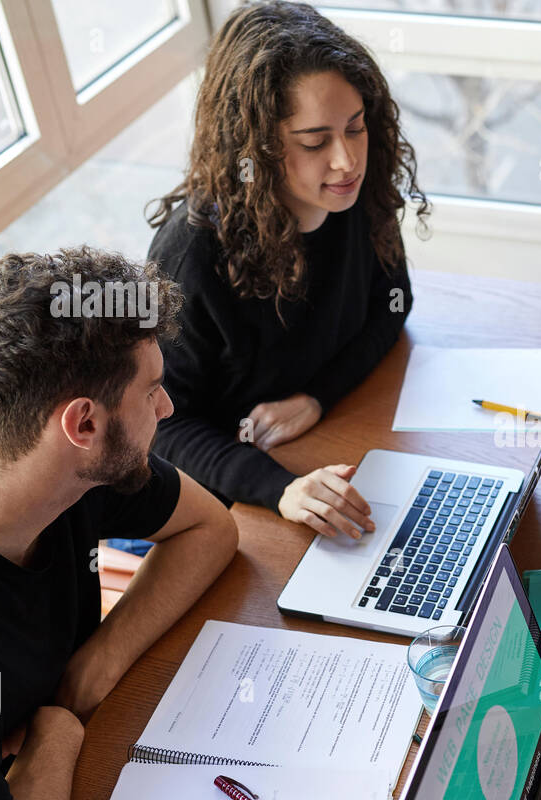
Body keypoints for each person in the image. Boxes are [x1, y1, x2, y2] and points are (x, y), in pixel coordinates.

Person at [0, 247, 239, 800]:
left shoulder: (26, 453)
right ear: (81, 424)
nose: (166, 409)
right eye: (153, 391)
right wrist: (57, 725)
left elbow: (211, 528)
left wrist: (101, 657)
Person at [147, 0, 428, 540]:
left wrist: (317, 397)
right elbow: (162, 426)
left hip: (329, 444)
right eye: (315, 142)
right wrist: (279, 488)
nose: (347, 161)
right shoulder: (191, 257)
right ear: (257, 146)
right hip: (232, 501)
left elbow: (392, 305)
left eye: (355, 128)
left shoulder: (356, 195)